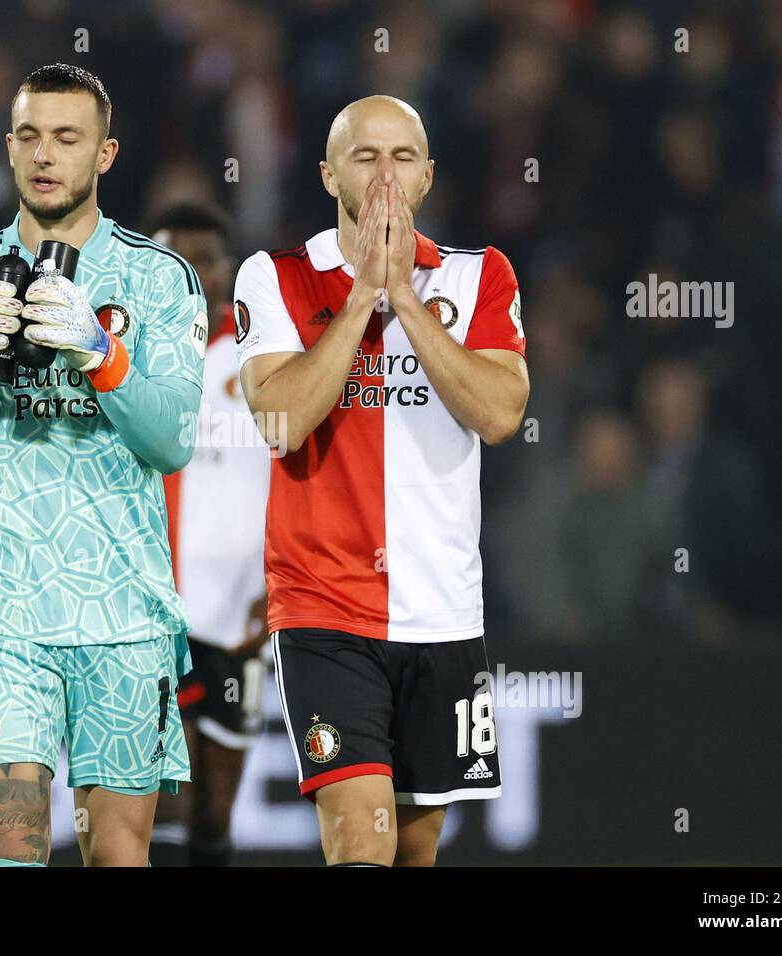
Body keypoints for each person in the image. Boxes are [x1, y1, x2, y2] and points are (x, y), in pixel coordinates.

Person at [0, 64, 206, 867]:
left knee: (118, 852)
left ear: (105, 154)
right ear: (8, 148)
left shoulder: (159, 278)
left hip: (124, 612)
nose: (44, 155)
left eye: (67, 137)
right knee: (12, 842)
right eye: (28, 136)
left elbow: (171, 442)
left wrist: (102, 353)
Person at [235, 96, 530, 866]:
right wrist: (365, 291)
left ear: (428, 176)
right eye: (365, 157)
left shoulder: (479, 275)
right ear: (329, 174)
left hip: (443, 611)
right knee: (361, 841)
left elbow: (500, 412)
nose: (385, 175)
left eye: (402, 157)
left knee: (415, 852)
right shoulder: (276, 277)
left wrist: (405, 296)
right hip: (325, 608)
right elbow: (280, 423)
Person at [148, 203, 271, 867]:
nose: (190, 273)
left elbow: (297, 482)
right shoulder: (119, 359)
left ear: (228, 271)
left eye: (204, 260)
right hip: (147, 615)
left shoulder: (264, 362)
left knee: (213, 816)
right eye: (174, 258)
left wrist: (277, 587)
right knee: (166, 796)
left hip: (236, 617)